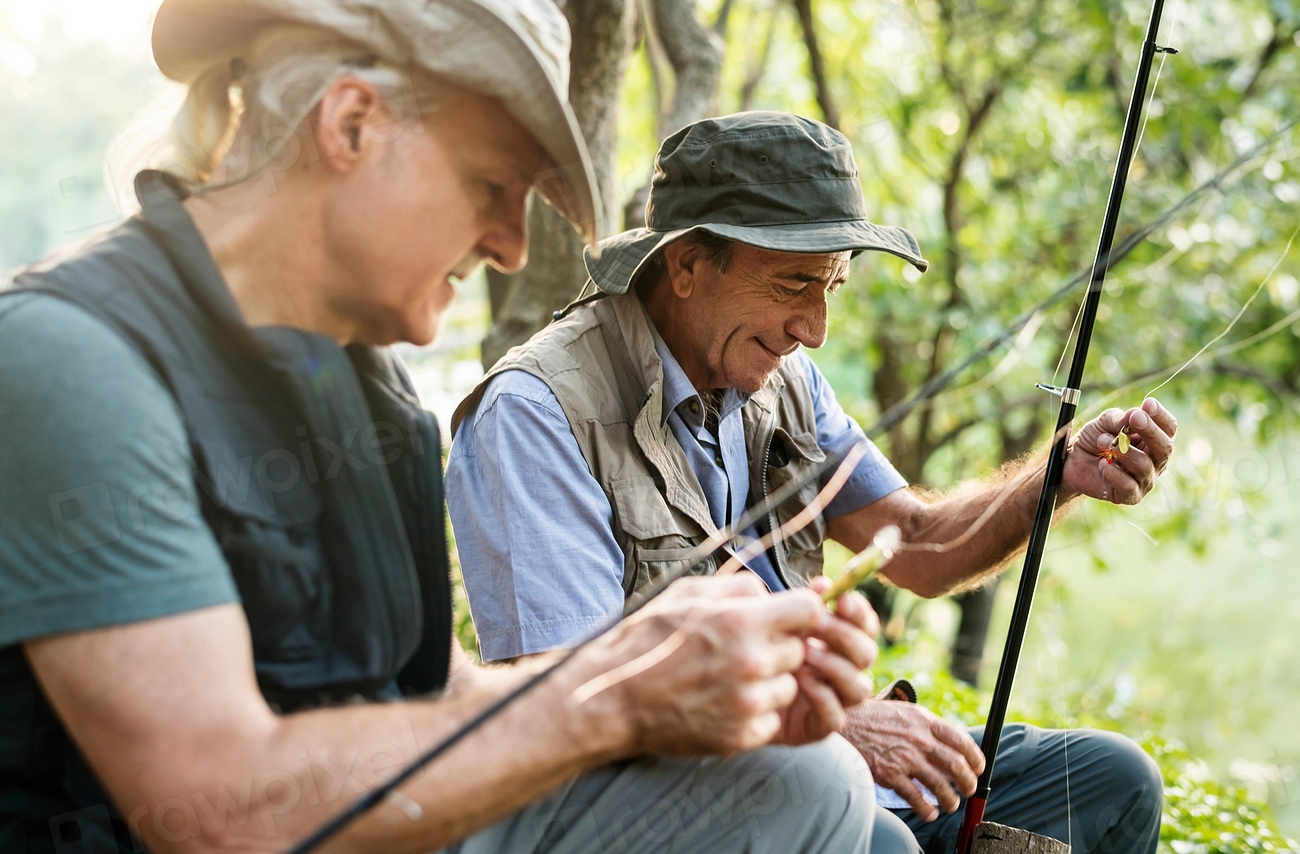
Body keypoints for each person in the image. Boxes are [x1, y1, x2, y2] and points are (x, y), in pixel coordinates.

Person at [0, 4, 884, 853]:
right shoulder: (73, 359)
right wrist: (617, 702)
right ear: (351, 126)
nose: (508, 244)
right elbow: (222, 809)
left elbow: (433, 695)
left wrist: (667, 667)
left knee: (808, 788)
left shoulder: (371, 386)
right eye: (493, 186)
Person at [447, 112, 1177, 854]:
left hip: (814, 762)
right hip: (654, 802)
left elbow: (917, 544)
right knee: (878, 841)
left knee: (1114, 783)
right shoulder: (538, 412)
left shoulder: (779, 376)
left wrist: (1056, 477)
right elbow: (577, 705)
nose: (815, 327)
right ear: (688, 266)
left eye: (832, 285)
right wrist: (828, 730)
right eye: (796, 282)